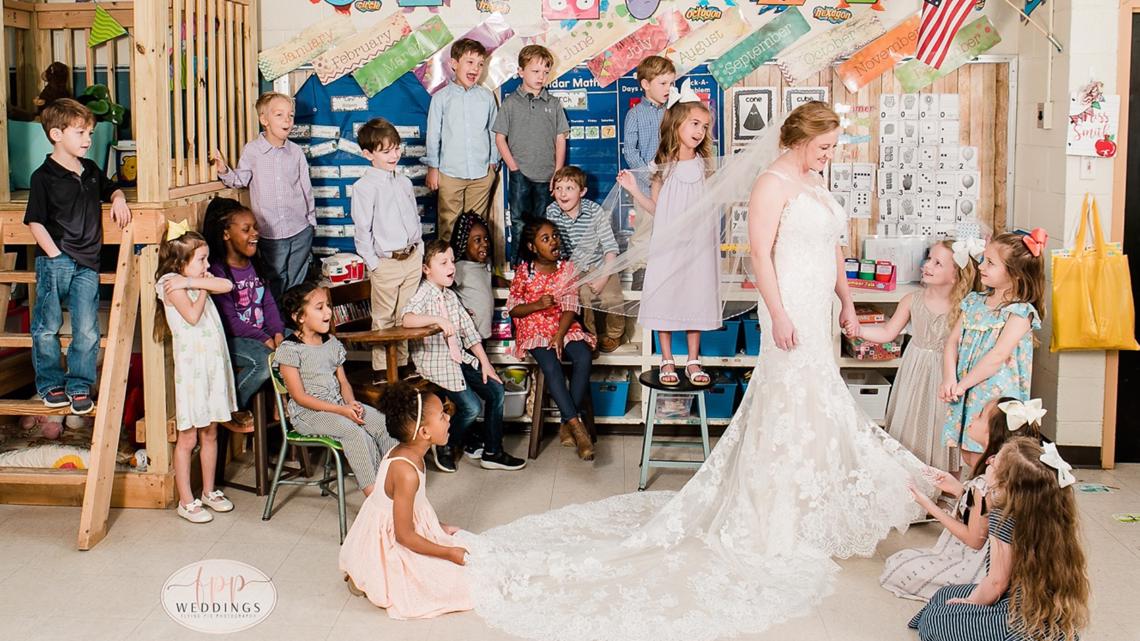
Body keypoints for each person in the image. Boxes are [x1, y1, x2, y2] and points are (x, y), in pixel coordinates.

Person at [457, 103, 933, 641]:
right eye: (823, 146)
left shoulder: (814, 181)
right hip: (791, 307)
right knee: (790, 401)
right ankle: (775, 508)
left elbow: (834, 247)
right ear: (799, 140)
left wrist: (846, 302)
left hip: (821, 305)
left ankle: (812, 504)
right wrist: (776, 313)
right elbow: (759, 254)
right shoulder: (771, 184)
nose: (829, 155)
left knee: (817, 401)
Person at [908, 437, 1089, 641]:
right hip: (1042, 611)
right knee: (945, 594)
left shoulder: (1002, 516)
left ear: (1006, 483)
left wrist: (970, 604)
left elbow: (996, 583)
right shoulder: (1046, 512)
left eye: (995, 462)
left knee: (937, 619)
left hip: (1017, 621)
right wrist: (958, 489)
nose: (989, 460)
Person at [25, 98, 131, 415]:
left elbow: (112, 187)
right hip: (55, 260)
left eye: (90, 133)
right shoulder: (42, 177)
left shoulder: (91, 170)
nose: (88, 139)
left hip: (88, 263)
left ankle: (79, 384)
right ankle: (49, 383)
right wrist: (56, 255)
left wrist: (119, 198)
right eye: (81, 132)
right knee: (47, 326)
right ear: (56, 135)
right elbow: (35, 221)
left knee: (86, 329)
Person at [880, 397, 1044, 601]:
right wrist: (958, 489)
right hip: (1003, 565)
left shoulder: (985, 482)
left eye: (981, 415)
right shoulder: (1007, 474)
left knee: (898, 567)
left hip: (979, 567)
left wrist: (927, 503)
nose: (974, 416)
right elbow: (987, 513)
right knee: (902, 560)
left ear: (992, 433)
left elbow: (974, 539)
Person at [339, 381, 473, 619]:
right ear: (424, 432)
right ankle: (369, 573)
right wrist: (447, 553)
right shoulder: (406, 470)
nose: (449, 419)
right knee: (455, 582)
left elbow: (415, 506)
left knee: (464, 549)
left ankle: (364, 573)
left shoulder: (410, 452)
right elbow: (403, 536)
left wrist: (437, 526)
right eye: (442, 415)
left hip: (402, 525)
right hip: (395, 537)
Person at [616, 81, 717, 386]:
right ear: (677, 125)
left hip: (697, 244)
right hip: (668, 244)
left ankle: (693, 360)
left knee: (695, 294)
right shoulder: (661, 166)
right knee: (666, 295)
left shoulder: (705, 166)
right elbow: (658, 209)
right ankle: (667, 359)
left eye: (704, 125)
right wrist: (634, 188)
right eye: (694, 123)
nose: (699, 131)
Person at [850, 239, 979, 469]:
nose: (927, 265)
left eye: (938, 263)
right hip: (914, 370)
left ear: (955, 275)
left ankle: (943, 483)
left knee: (941, 422)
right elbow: (889, 332)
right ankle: (908, 474)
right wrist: (860, 330)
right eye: (929, 259)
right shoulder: (912, 300)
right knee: (910, 420)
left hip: (946, 373)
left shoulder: (966, 307)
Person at [401, 240, 526, 473]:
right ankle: (446, 444)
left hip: (459, 359)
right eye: (443, 262)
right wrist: (438, 320)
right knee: (470, 408)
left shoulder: (450, 296)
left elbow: (470, 333)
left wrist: (486, 365)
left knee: (496, 390)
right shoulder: (423, 293)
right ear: (426, 269)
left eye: (452, 262)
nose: (451, 267)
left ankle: (492, 452)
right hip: (436, 362)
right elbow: (407, 319)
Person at [274, 282, 396, 496]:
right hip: (309, 414)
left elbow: (343, 383)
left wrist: (349, 403)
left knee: (381, 423)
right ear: (299, 316)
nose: (329, 312)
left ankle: (393, 481)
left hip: (339, 406)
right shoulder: (290, 349)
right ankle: (374, 496)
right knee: (354, 431)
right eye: (319, 307)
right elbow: (299, 397)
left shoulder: (331, 343)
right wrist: (341, 411)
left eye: (328, 305)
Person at [940, 232, 1046, 470]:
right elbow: (952, 342)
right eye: (983, 259)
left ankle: (987, 502)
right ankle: (973, 499)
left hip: (992, 395)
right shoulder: (974, 302)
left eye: (990, 263)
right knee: (968, 452)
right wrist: (949, 378)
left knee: (991, 455)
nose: (981, 266)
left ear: (1015, 273)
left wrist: (962, 384)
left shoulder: (1020, 312)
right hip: (964, 388)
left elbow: (997, 356)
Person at [154, 228, 238, 523]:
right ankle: (186, 500)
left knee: (211, 431)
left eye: (207, 260)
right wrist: (201, 286)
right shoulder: (168, 284)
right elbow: (191, 315)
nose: (207, 266)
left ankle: (209, 491)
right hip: (192, 373)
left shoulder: (191, 279)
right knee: (188, 437)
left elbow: (227, 284)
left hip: (212, 368)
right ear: (179, 262)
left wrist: (195, 279)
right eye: (202, 260)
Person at [212, 92, 315, 299]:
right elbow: (240, 180)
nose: (287, 120)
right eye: (279, 115)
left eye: (291, 115)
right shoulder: (253, 151)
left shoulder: (296, 152)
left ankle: (293, 322)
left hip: (300, 229)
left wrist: (311, 222)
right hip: (270, 232)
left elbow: (306, 189)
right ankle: (278, 324)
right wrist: (224, 170)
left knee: (296, 282)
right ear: (264, 120)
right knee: (275, 279)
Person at [507, 220, 595, 461]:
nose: (553, 241)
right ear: (532, 247)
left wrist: (559, 336)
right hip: (533, 326)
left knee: (583, 356)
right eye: (545, 239)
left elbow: (570, 304)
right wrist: (536, 305)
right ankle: (577, 428)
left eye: (554, 235)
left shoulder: (567, 268)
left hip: (562, 324)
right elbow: (514, 310)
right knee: (551, 366)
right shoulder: (524, 272)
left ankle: (567, 422)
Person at [351, 118, 423, 377]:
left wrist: (420, 250)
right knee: (384, 318)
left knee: (406, 316)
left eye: (396, 148)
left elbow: (414, 218)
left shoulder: (404, 182)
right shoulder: (364, 187)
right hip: (386, 263)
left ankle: (402, 366)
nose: (394, 155)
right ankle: (383, 370)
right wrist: (374, 264)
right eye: (386, 151)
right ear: (367, 154)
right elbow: (362, 231)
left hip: (411, 258)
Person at [202, 197, 285, 420]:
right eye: (246, 229)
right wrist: (264, 338)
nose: (255, 233)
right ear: (226, 234)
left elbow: (268, 303)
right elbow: (230, 321)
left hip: (262, 333)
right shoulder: (219, 273)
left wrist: (277, 332)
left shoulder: (255, 265)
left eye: (255, 228)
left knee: (299, 344)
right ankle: (230, 408)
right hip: (234, 339)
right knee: (263, 362)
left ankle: (285, 403)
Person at [493, 44, 569, 262]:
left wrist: (557, 172)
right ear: (520, 72)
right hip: (520, 176)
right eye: (535, 71)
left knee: (543, 224)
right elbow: (500, 138)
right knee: (519, 222)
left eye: (545, 72)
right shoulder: (510, 103)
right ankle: (519, 268)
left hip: (547, 176)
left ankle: (541, 268)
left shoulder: (553, 104)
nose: (541, 76)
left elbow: (560, 138)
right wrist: (514, 169)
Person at [425, 38, 500, 242]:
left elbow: (494, 131)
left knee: (476, 226)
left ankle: (472, 269)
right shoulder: (441, 98)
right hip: (450, 172)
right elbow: (434, 135)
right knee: (449, 223)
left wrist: (493, 162)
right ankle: (448, 270)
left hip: (481, 172)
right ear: (454, 64)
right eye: (470, 62)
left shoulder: (486, 97)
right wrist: (433, 168)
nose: (475, 68)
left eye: (480, 64)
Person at [544, 165, 623, 353]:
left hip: (600, 264)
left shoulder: (595, 211)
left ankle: (614, 334)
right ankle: (591, 337)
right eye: (558, 188)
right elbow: (553, 248)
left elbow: (610, 248)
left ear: (582, 192)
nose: (563, 193)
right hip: (572, 268)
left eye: (569, 188)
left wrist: (603, 277)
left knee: (612, 296)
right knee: (583, 298)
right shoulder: (552, 211)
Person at [621, 55, 675, 287]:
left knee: (672, 228)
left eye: (671, 83)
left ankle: (668, 270)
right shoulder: (634, 115)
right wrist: (648, 174)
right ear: (645, 84)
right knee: (644, 228)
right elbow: (630, 151)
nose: (668, 88)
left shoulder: (674, 112)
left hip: (673, 184)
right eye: (663, 84)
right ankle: (640, 271)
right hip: (644, 187)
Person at [450, 211, 494, 340]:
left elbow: (485, 281)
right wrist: (460, 310)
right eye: (477, 240)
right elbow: (445, 289)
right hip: (467, 335)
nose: (484, 244)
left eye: (486, 239)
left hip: (483, 333)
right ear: (464, 244)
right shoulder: (460, 267)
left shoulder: (484, 265)